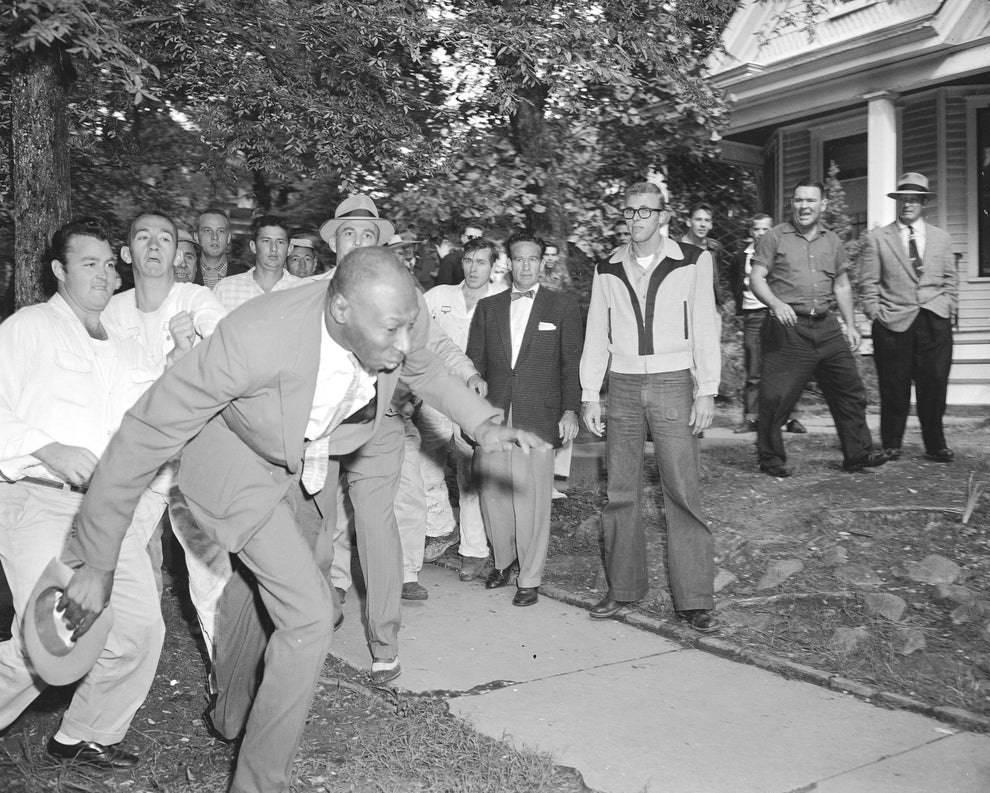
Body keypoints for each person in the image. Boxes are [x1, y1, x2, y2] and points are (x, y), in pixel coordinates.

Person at [59, 247, 547, 793]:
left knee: (260, 593)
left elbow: (425, 364)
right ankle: (258, 782)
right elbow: (142, 436)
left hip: (309, 460)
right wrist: (97, 562)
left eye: (408, 326)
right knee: (311, 613)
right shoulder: (254, 339)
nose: (403, 343)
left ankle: (229, 712)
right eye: (391, 331)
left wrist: (482, 424)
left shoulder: (399, 314)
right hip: (237, 463)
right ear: (340, 310)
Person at [0, 218, 165, 768]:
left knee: (140, 629)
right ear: (59, 271)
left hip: (104, 513)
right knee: (46, 642)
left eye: (107, 264)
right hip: (39, 498)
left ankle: (85, 734)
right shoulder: (29, 327)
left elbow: (165, 399)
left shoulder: (125, 346)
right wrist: (48, 447)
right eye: (88, 263)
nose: (103, 273)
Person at [580, 181, 720, 633]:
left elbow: (704, 325)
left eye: (646, 211)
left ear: (664, 216)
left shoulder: (694, 261)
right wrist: (588, 394)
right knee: (620, 492)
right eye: (630, 211)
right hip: (621, 384)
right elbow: (595, 336)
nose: (637, 219)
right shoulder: (606, 269)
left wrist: (707, 388)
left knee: (682, 489)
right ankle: (623, 588)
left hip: (673, 381)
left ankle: (694, 599)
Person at [102, 210, 228, 655]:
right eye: (143, 237)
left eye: (164, 240)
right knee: (121, 557)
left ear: (178, 253)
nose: (154, 246)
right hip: (138, 455)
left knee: (209, 572)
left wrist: (192, 351)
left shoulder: (194, 299)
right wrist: (172, 361)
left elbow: (224, 351)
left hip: (194, 453)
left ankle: (224, 678)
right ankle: (123, 661)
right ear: (125, 251)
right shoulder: (110, 310)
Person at [468, 232, 582, 607]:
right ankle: (504, 561)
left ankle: (529, 578)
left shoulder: (562, 307)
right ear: (509, 263)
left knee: (533, 500)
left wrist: (570, 410)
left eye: (533, 259)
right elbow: (475, 364)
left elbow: (571, 365)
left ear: (542, 261)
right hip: (496, 415)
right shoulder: (488, 308)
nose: (526, 266)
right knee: (494, 495)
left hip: (540, 414)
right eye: (519, 259)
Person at [749, 180, 890, 477]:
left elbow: (841, 284)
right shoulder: (774, 238)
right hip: (788, 328)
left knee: (850, 390)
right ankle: (771, 459)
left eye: (811, 201)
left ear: (822, 205)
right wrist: (776, 304)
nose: (804, 206)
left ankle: (858, 455)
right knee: (775, 397)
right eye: (799, 200)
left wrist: (851, 325)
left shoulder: (833, 241)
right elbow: (757, 278)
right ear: (792, 204)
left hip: (826, 327)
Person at [420, 237, 508, 581]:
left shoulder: (501, 299)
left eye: (481, 262)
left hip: (476, 396)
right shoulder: (439, 296)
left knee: (470, 472)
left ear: (494, 266)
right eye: (469, 260)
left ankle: (474, 551)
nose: (473, 268)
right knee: (426, 464)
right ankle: (441, 527)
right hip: (435, 391)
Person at [860, 172, 958, 463]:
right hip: (892, 321)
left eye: (914, 199)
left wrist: (948, 305)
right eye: (903, 199)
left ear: (923, 203)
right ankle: (891, 444)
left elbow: (951, 280)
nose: (908, 204)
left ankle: (935, 445)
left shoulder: (942, 237)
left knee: (935, 383)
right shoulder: (878, 238)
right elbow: (868, 283)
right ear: (897, 201)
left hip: (933, 319)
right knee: (894, 384)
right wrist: (875, 312)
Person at [727, 214, 806, 435]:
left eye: (765, 229)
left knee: (785, 367)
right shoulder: (741, 257)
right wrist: (742, 309)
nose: (761, 233)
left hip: (777, 314)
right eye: (757, 229)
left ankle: (792, 417)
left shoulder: (780, 251)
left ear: (772, 231)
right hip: (753, 316)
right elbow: (735, 281)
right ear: (751, 232)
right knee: (753, 369)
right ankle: (751, 418)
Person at [213, 215, 300, 311]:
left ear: (289, 249)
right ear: (253, 246)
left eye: (280, 242)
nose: (273, 248)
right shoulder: (226, 289)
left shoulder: (302, 289)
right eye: (266, 241)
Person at [196, 207, 246, 289]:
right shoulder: (184, 274)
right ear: (196, 237)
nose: (214, 237)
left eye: (221, 231)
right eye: (207, 230)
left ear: (228, 237)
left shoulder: (244, 277)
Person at [435, 221, 485, 286]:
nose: (474, 241)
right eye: (470, 237)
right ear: (462, 238)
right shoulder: (450, 259)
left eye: (478, 238)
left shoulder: (486, 260)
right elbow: (442, 288)